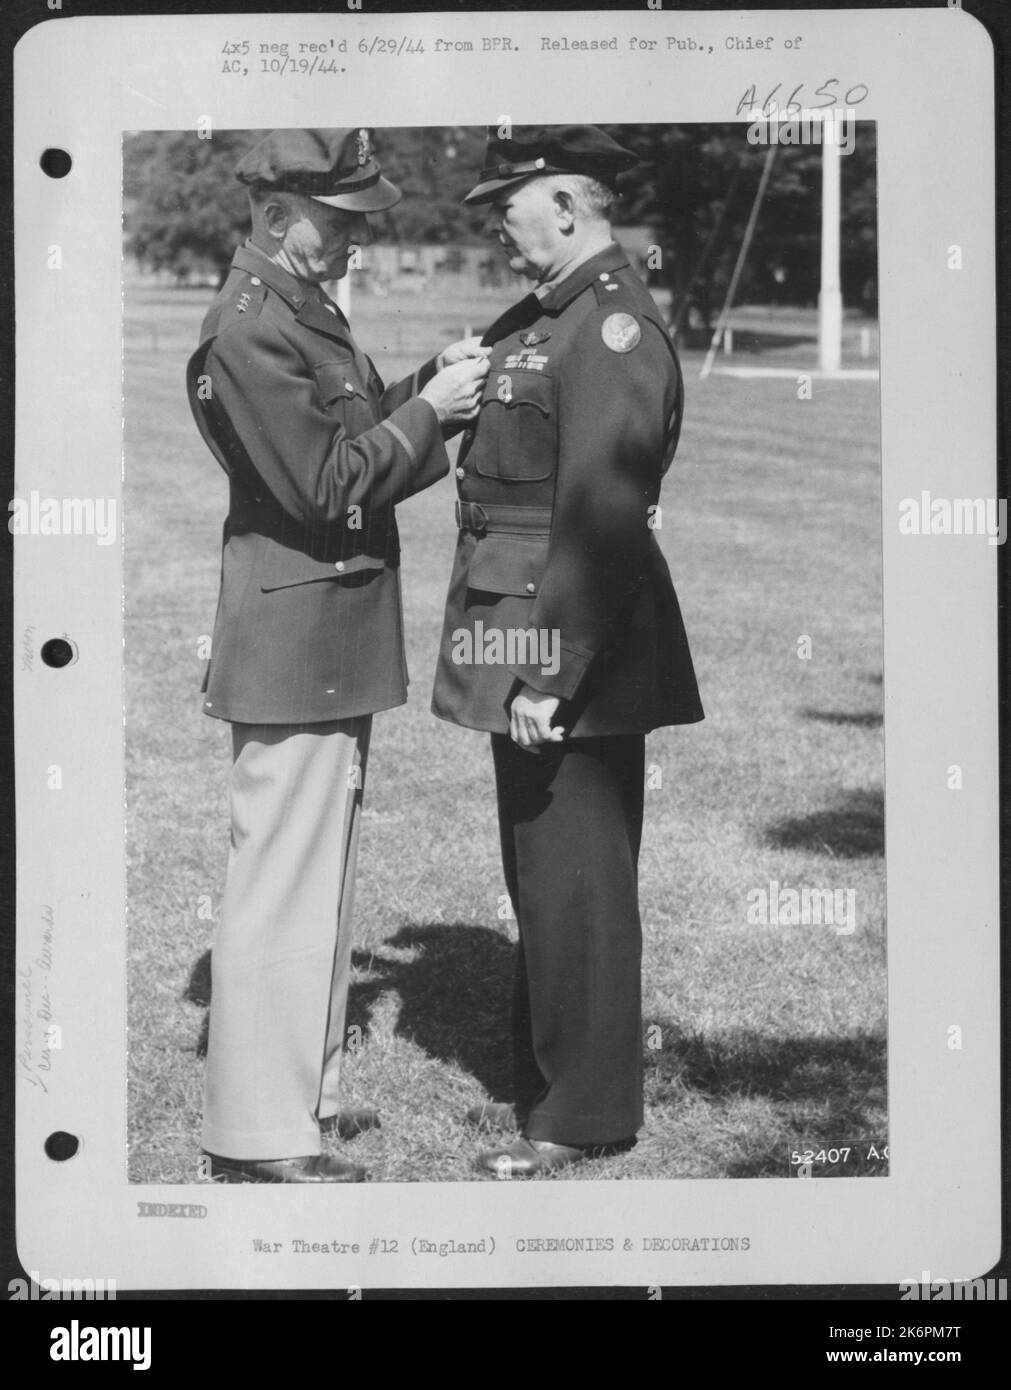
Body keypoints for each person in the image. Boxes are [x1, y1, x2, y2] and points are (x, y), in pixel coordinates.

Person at [185, 128, 488, 1182]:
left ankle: (293, 1106)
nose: (358, 238)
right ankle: (257, 1134)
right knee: (282, 884)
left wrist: (424, 386)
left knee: (319, 884)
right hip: (297, 634)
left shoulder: (297, 309)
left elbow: (346, 433)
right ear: (275, 214)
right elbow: (322, 484)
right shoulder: (251, 326)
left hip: (323, 632)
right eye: (342, 218)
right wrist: (429, 416)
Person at [432, 125, 704, 1177]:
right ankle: (547, 1085)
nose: (496, 225)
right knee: (542, 872)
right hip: (521, 624)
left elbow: (600, 514)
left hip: (567, 643)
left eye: (507, 204)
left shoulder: (614, 329)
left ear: (564, 205)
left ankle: (582, 1116)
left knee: (577, 875)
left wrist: (547, 673)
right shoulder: (550, 318)